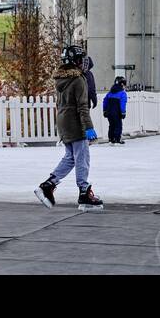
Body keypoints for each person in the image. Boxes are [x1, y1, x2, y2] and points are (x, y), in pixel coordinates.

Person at [35, 46, 103, 211]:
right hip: (75, 122)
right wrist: (88, 127)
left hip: (63, 121)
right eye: (81, 60)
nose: (83, 63)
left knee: (71, 157)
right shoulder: (79, 79)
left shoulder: (60, 79)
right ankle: (84, 193)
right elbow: (82, 107)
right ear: (76, 61)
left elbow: (60, 104)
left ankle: (48, 185)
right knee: (82, 157)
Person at [102, 76, 128, 144]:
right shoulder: (122, 93)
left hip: (109, 112)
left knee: (111, 125)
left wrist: (104, 110)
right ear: (122, 84)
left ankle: (111, 138)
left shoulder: (110, 92)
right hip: (117, 112)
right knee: (118, 125)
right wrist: (123, 112)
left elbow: (105, 101)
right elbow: (122, 104)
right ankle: (117, 139)